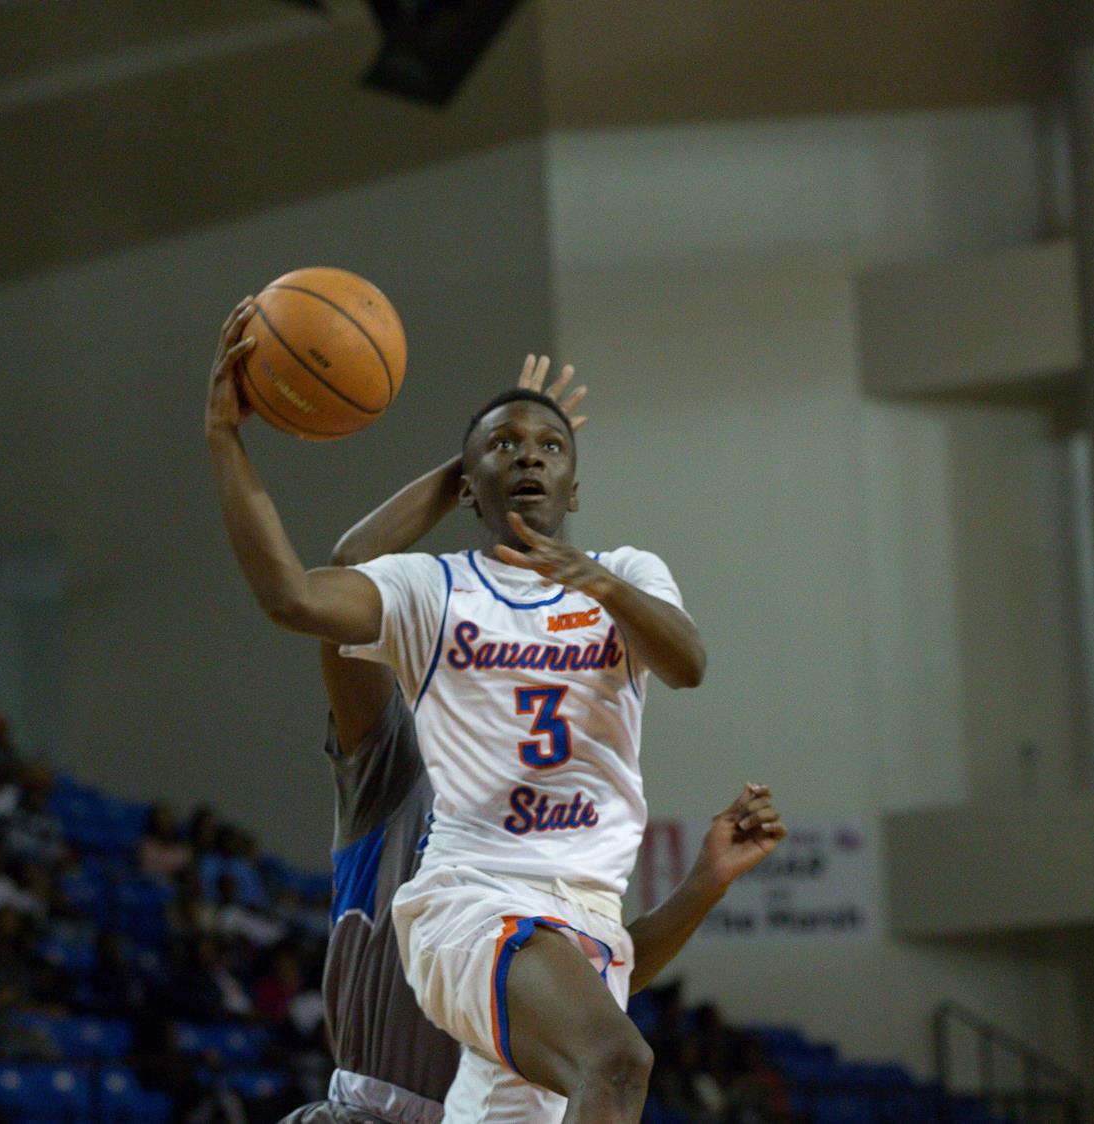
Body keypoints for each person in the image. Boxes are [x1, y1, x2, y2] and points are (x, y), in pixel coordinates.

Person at [206, 317, 779, 1124]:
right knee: (615, 1062)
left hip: (539, 984)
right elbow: (317, 587)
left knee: (603, 1051)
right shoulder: (395, 747)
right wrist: (230, 440)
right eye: (508, 447)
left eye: (550, 447)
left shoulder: (620, 583)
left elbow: (687, 663)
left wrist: (705, 882)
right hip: (396, 1062)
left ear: (576, 488)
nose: (530, 456)